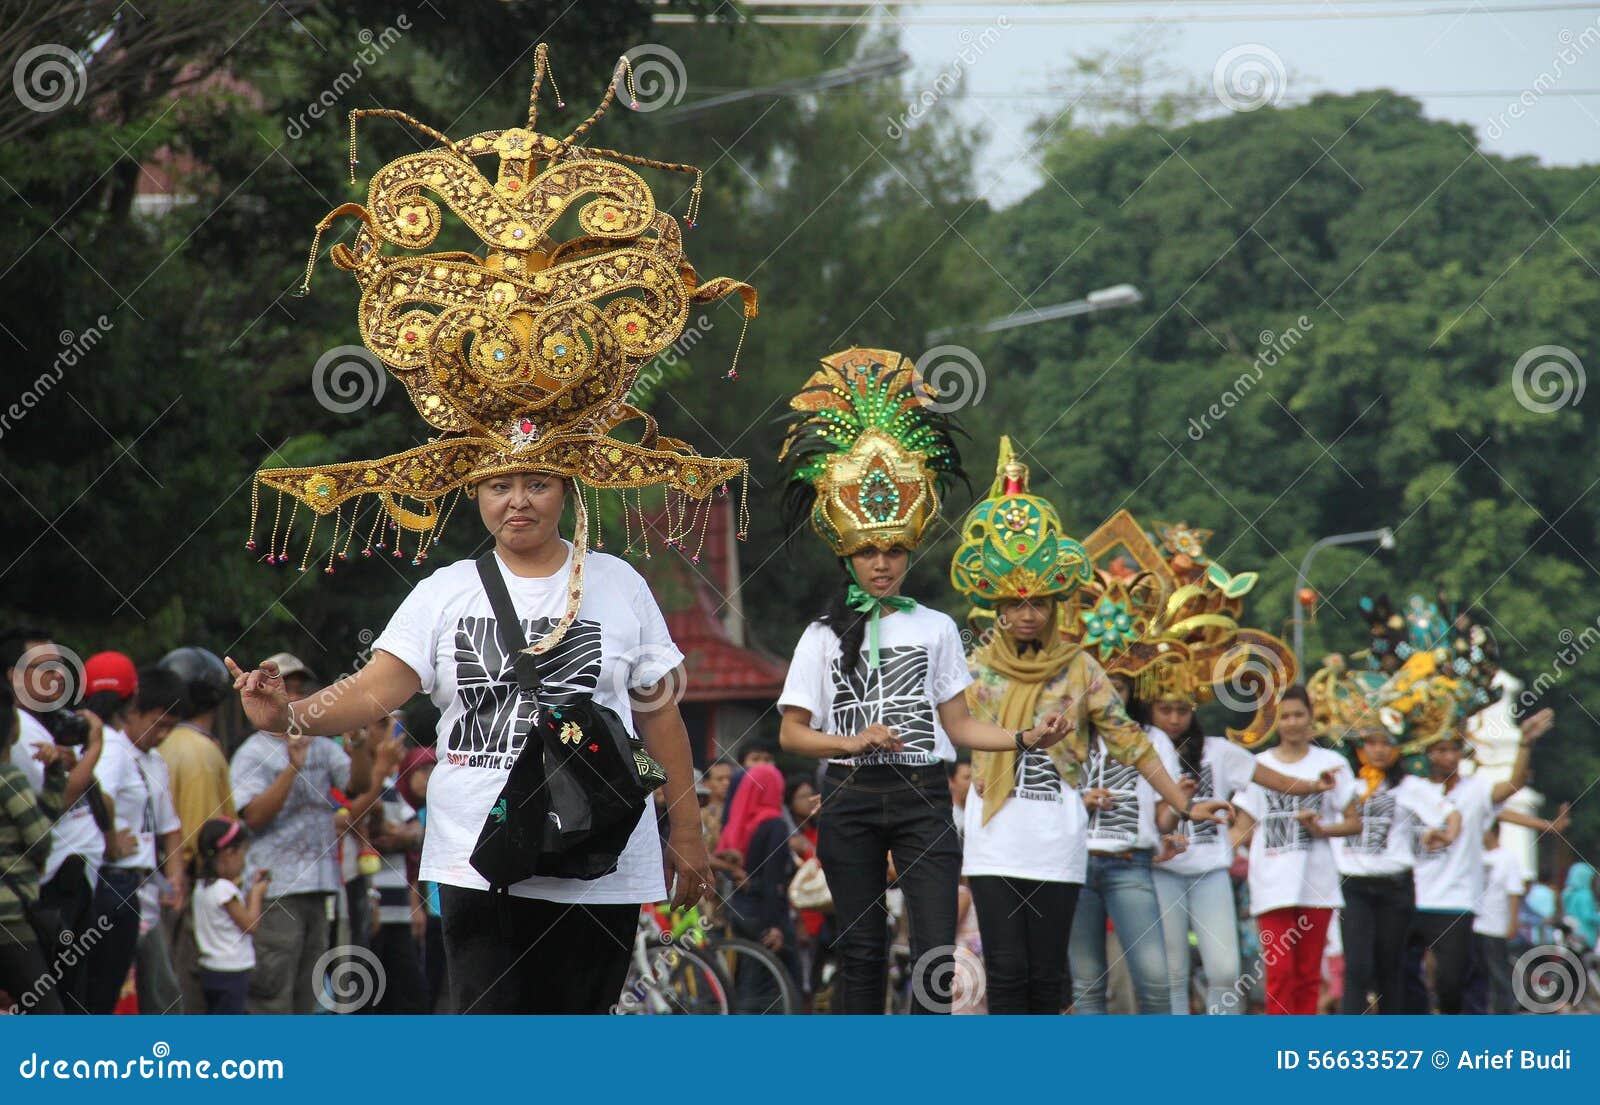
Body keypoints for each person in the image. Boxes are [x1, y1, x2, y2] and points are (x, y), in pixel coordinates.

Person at [232, 56, 753, 1013]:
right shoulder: (445, 594)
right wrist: (289, 715)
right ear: (476, 492)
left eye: (538, 482)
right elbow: (376, 691)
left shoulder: (621, 585)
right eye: (501, 483)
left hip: (603, 857)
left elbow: (661, 716)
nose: (520, 500)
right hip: (478, 856)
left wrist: (686, 832)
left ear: (566, 486)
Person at [775, 352, 1082, 1015]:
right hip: (850, 797)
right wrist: (853, 742)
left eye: (893, 550)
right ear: (846, 553)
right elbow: (792, 733)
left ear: (909, 550)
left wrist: (1024, 737)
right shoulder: (821, 635)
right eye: (868, 551)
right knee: (860, 951)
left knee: (936, 952)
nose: (882, 564)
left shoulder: (937, 626)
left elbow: (959, 724)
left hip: (923, 795)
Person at [947, 442, 1231, 1015]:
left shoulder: (1080, 668)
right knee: (1007, 971)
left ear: (1056, 607)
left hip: (1056, 836)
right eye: (1016, 604)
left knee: (1048, 978)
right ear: (998, 608)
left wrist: (1181, 801)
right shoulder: (972, 669)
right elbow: (945, 733)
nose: (1028, 614)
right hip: (994, 836)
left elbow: (1130, 740)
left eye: (1039, 603)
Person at [1150, 690, 1338, 1015]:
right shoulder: (1144, 752)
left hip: (1210, 871)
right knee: (1174, 973)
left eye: (1182, 709)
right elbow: (1156, 820)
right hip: (1162, 872)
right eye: (1165, 710)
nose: (1174, 719)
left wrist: (1311, 786)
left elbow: (1270, 778)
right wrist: (1177, 803)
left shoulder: (1219, 751)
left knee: (1225, 971)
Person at [230, 692, 394, 1014]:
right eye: (286, 688)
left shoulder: (321, 745)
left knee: (308, 994)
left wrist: (358, 743)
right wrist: (293, 767)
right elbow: (254, 817)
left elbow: (359, 786)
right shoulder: (252, 753)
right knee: (273, 994)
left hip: (320, 886)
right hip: (276, 890)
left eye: (300, 688)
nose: (294, 696)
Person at [1407, 709, 1552, 1014]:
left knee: (1450, 982)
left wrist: (1524, 744)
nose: (1449, 757)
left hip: (1456, 901)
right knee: (1404, 976)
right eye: (1440, 750)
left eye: (1454, 749)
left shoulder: (1476, 789)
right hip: (1410, 898)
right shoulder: (1411, 788)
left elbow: (1512, 786)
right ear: (1427, 752)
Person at [1230, 686, 1362, 1015]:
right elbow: (1243, 827)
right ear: (1274, 721)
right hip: (1271, 884)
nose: (1292, 722)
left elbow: (1354, 823)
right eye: (1284, 716)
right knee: (1280, 974)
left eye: (1298, 715)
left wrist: (1322, 829)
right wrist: (1204, 850)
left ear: (1310, 717)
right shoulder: (1258, 765)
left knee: (1308, 975)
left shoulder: (1332, 763)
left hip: (1317, 884)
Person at [3, 628, 109, 1014]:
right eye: (44, 667)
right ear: (14, 675)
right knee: (56, 1004)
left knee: (72, 998)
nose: (58, 675)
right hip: (47, 888)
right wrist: (94, 749)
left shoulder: (48, 723)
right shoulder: (17, 727)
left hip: (69, 881)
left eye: (60, 666)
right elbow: (52, 811)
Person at [81, 661, 187, 1014]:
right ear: (133, 710)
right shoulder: (113, 749)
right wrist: (111, 840)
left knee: (153, 991)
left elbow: (169, 826)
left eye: (170, 727)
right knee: (132, 993)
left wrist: (175, 878)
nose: (162, 734)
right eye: (158, 723)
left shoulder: (155, 762)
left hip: (145, 888)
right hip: (118, 884)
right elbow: (98, 796)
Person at [1332, 724, 1458, 1015]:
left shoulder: (1409, 786)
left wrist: (1447, 836)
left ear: (1398, 749)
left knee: (1390, 967)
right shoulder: (1345, 782)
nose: (1378, 750)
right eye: (1371, 743)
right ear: (1359, 748)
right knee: (1358, 967)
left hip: (1395, 887)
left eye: (1386, 743)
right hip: (1354, 886)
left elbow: (1451, 814)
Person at [155, 644, 236, 1013]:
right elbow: (206, 835)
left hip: (158, 882)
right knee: (188, 991)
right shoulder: (201, 752)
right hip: (189, 888)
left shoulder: (162, 743)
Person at [0, 682, 74, 1015]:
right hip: (11, 919)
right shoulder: (9, 777)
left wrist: (54, 773)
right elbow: (41, 839)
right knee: (48, 1013)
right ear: (12, 730)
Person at [718, 762, 798, 1013]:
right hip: (765, 912)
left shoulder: (739, 823)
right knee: (777, 984)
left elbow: (730, 865)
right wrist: (774, 925)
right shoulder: (775, 824)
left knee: (746, 978)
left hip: (740, 909)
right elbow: (773, 880)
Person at [191, 818, 270, 1014]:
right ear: (229, 853)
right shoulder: (225, 890)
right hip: (232, 971)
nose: (243, 862)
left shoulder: (201, 887)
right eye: (242, 854)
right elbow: (251, 925)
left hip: (210, 969)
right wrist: (256, 894)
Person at [1474, 819, 1527, 1014]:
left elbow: (1514, 892)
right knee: (1476, 973)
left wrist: (1513, 921)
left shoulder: (1507, 858)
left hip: (1495, 926)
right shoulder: (1476, 856)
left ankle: (1503, 1012)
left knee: (1498, 974)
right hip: (1474, 925)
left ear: (1492, 832)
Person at [1561, 861, 1598, 951]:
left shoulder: (1567, 893)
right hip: (1585, 936)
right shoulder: (1586, 894)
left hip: (1571, 934)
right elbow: (1588, 916)